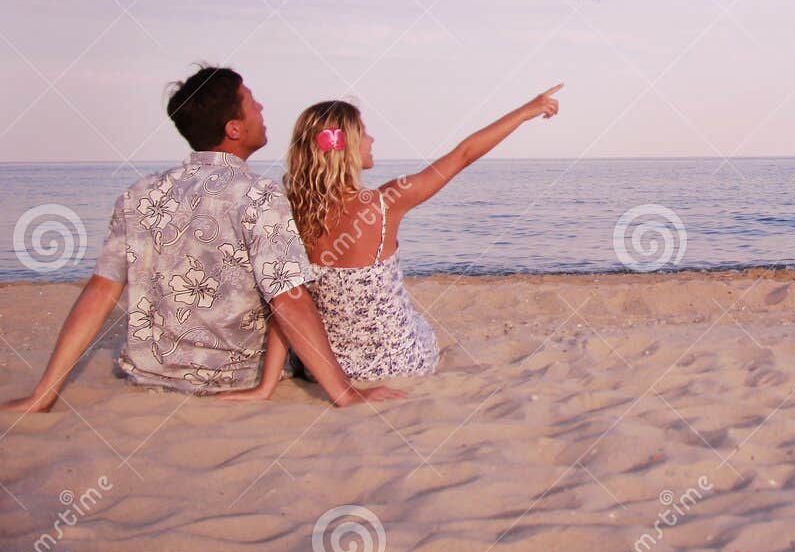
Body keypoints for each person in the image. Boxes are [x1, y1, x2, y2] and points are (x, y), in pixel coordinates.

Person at [1, 66, 404, 412]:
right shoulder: (259, 197)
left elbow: (99, 292)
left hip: (150, 376)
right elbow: (290, 300)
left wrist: (45, 392)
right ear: (234, 129)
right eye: (252, 103)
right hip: (237, 378)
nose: (262, 109)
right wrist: (345, 394)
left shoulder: (140, 194)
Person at [226, 83, 563, 392]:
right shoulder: (384, 203)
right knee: (418, 324)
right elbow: (464, 155)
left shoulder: (290, 214)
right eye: (365, 133)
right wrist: (526, 111)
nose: (372, 140)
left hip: (325, 370)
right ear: (347, 147)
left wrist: (265, 388)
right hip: (402, 363)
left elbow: (285, 304)